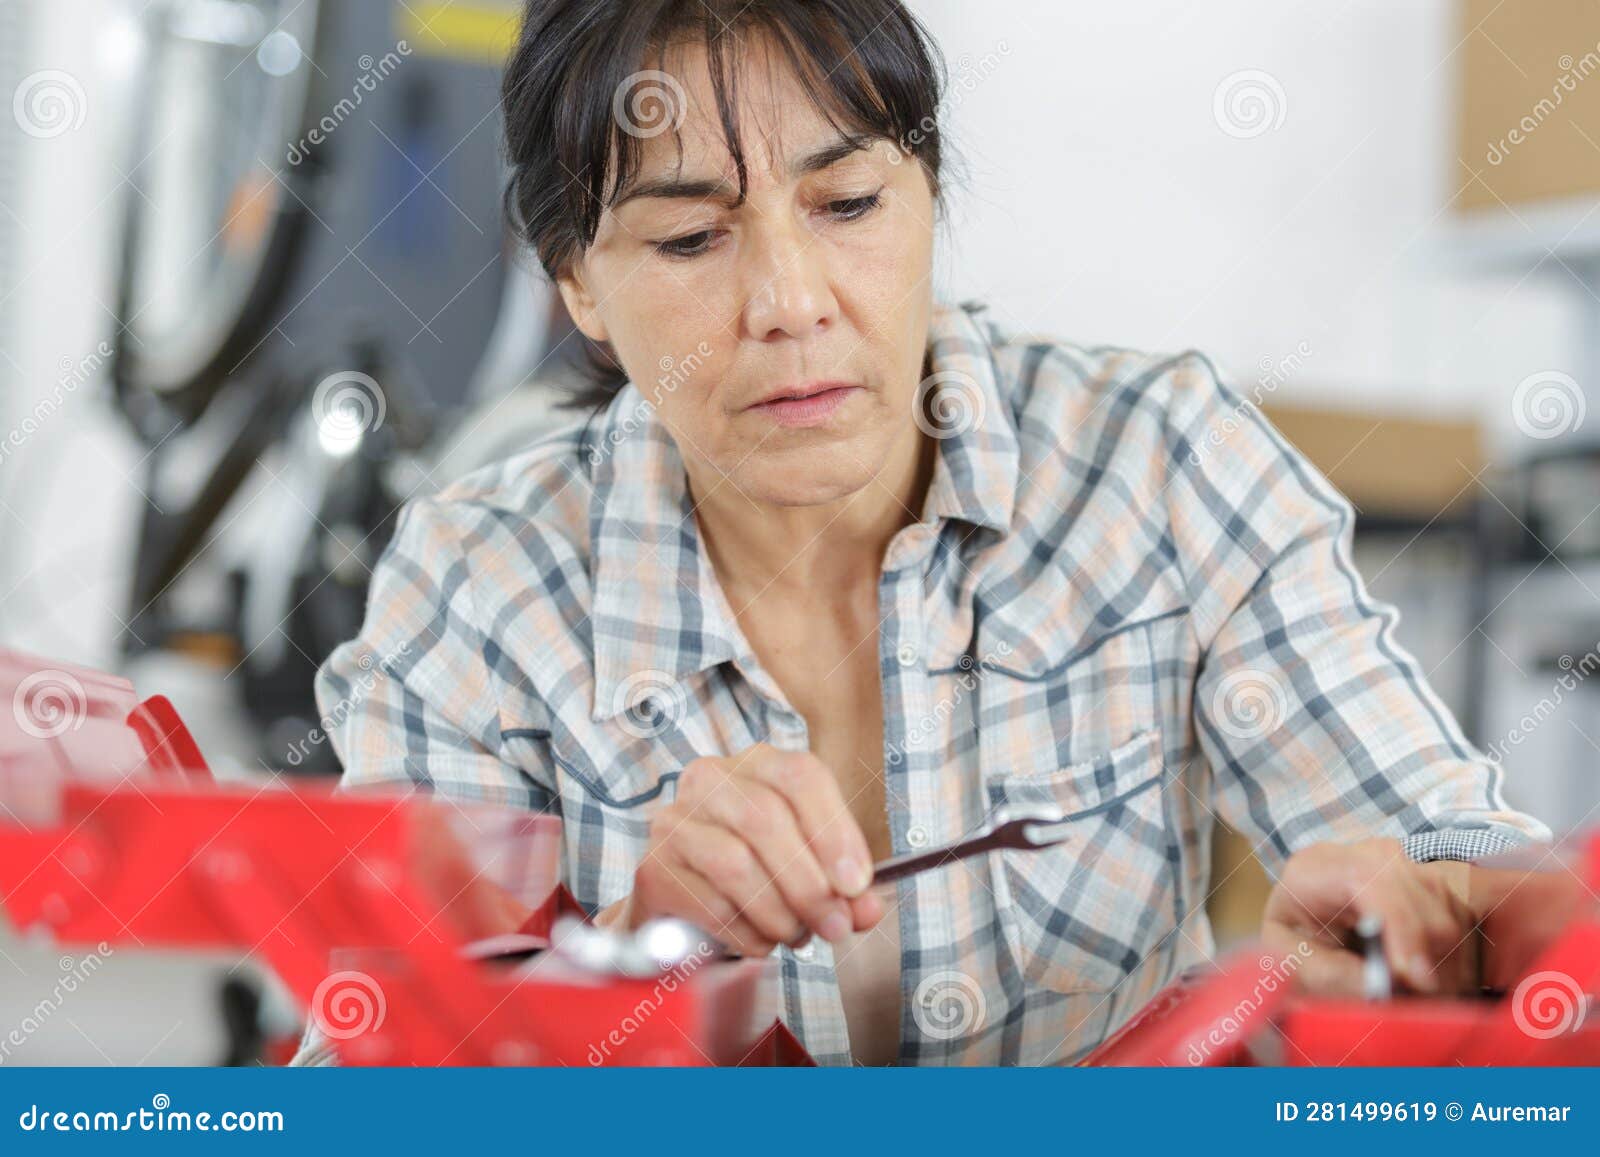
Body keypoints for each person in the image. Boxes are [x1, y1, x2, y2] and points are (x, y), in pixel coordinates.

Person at [290, 0, 1550, 1067]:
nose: (790, 303)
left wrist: (1430, 911)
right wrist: (635, 947)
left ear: (929, 196)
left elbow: (1454, 843)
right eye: (688, 238)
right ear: (576, 283)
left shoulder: (1158, 461)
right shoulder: (477, 581)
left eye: (845, 203)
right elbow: (374, 1068)